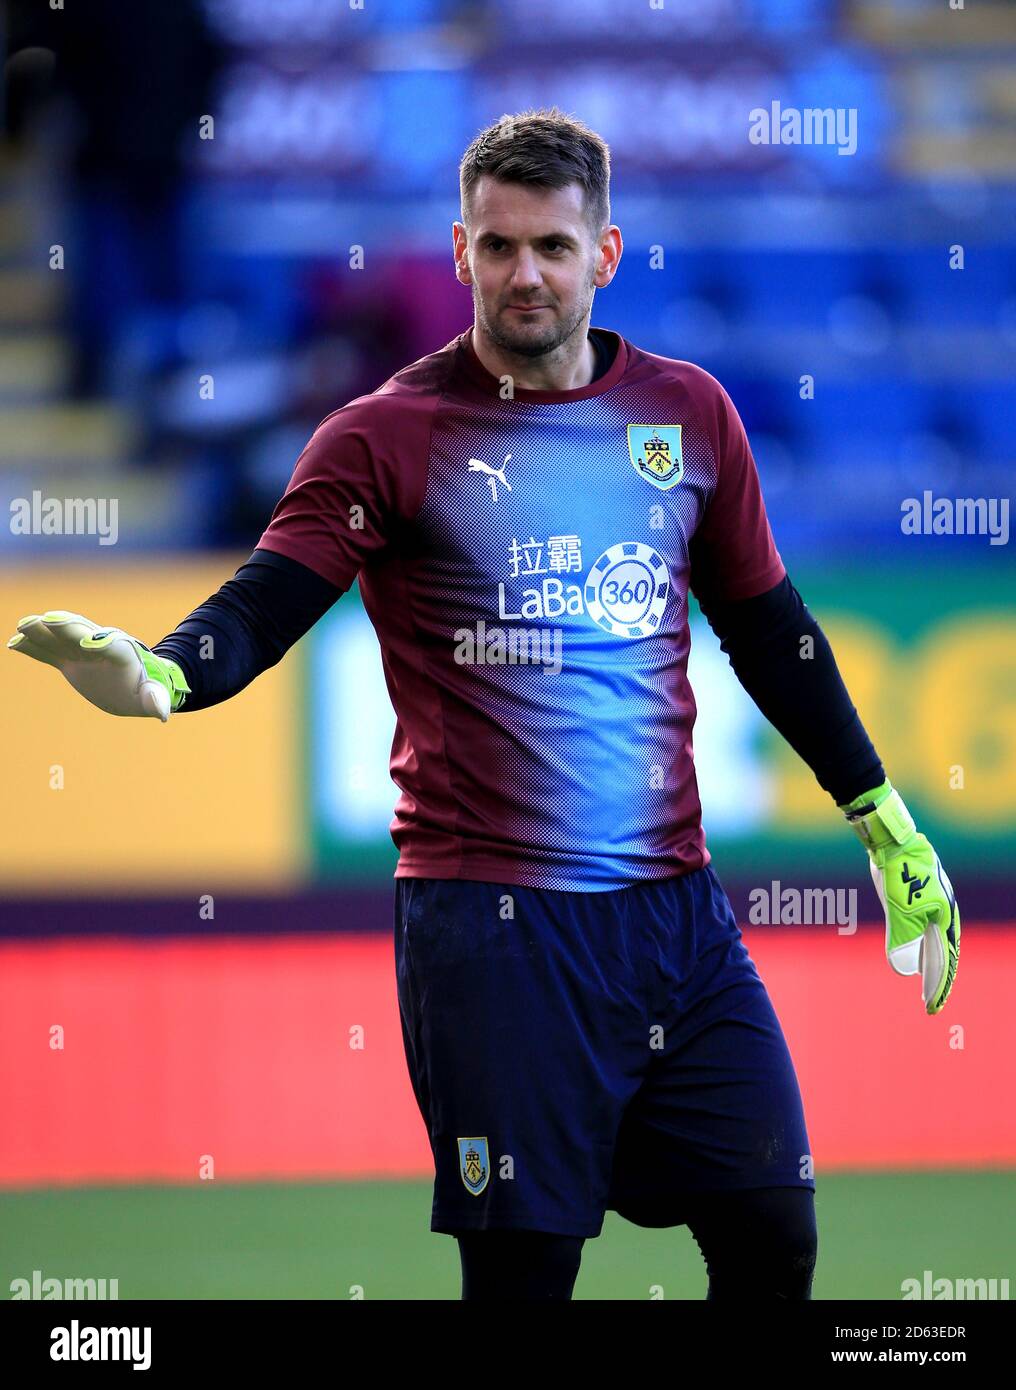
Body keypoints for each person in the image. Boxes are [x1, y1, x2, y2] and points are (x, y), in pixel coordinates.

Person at [7, 107, 959, 1301]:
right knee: (524, 1280)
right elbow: (261, 606)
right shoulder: (383, 439)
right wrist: (158, 675)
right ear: (458, 250)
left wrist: (880, 815)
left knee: (773, 1236)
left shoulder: (689, 417)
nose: (524, 274)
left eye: (552, 247)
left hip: (677, 919)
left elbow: (771, 632)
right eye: (498, 246)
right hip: (490, 930)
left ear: (603, 256)